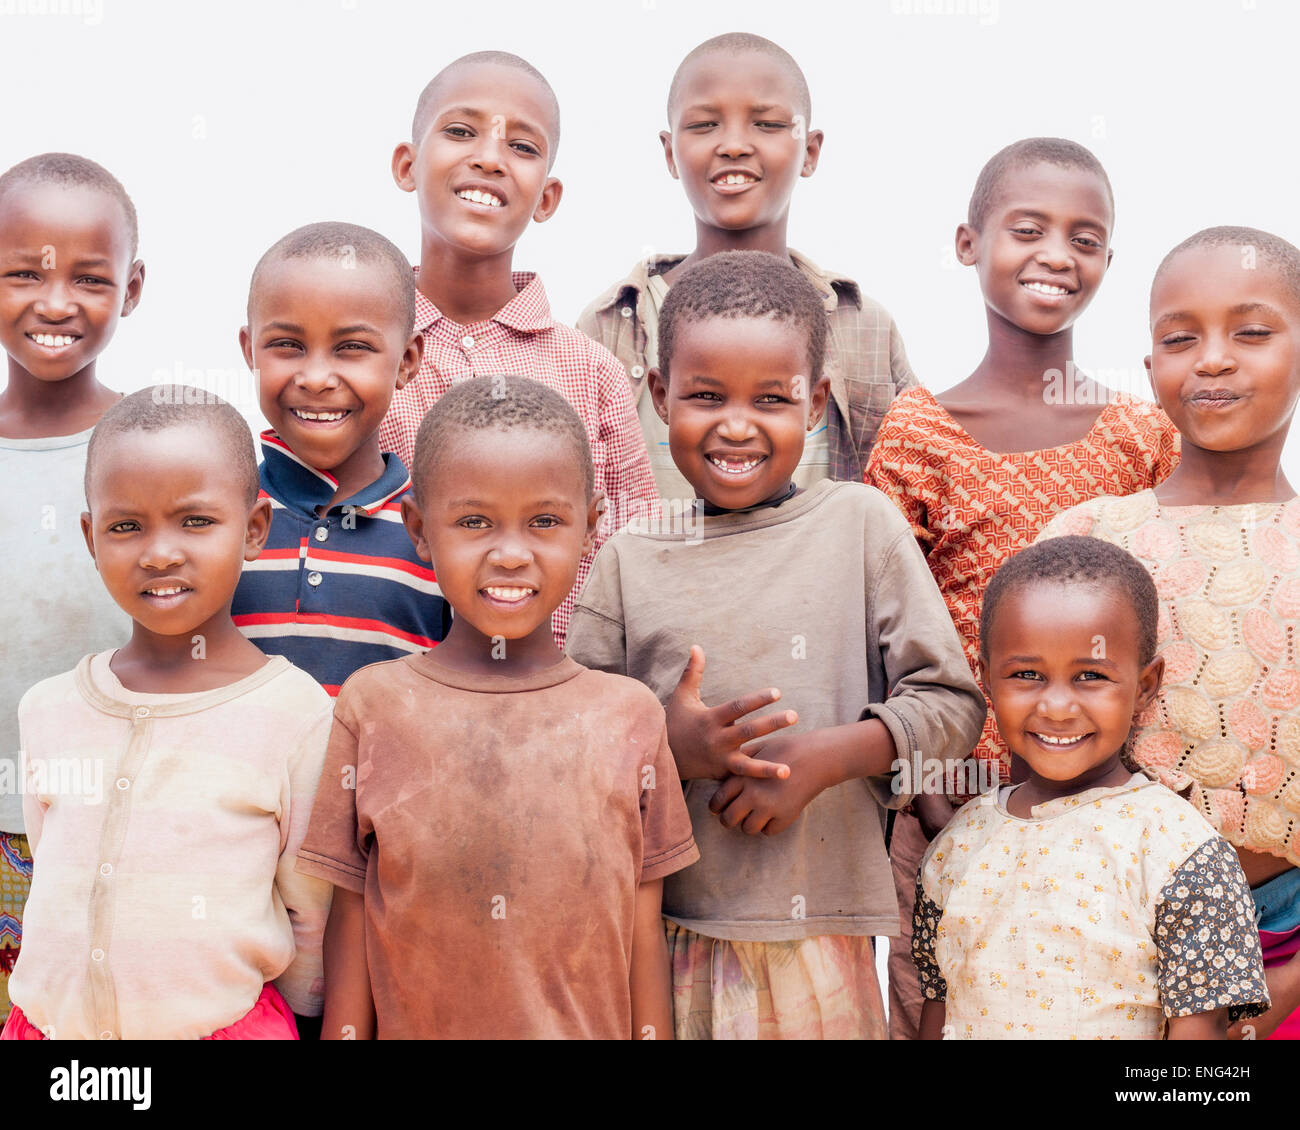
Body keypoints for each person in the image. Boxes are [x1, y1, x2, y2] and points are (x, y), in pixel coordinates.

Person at [566, 251, 984, 1039]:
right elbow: (568, 742)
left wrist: (827, 758)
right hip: (659, 940)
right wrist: (669, 746)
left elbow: (951, 705)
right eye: (704, 396)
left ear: (816, 401)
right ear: (659, 398)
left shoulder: (861, 528)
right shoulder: (630, 555)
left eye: (771, 398)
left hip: (817, 945)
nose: (736, 423)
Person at [864, 137, 1179, 1038]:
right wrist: (931, 797)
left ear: (1109, 262)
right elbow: (883, 634)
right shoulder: (920, 433)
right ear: (970, 244)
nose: (1055, 255)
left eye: (1085, 238)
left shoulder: (1140, 433)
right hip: (951, 806)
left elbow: (1165, 624)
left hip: (1113, 814)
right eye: (1027, 229)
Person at [299, 376, 698, 1039]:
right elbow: (351, 930)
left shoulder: (628, 718)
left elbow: (642, 936)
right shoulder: (375, 707)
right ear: (420, 532)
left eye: (544, 521)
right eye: (475, 521)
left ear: (591, 528)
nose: (511, 554)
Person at [3, 388, 332, 1040]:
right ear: (91, 538)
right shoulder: (48, 709)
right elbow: (52, 870)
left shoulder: (294, 717)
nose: (159, 553)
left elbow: (310, 912)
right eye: (126, 526)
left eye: (195, 521)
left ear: (255, 531)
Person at [1038, 226, 1300, 1038]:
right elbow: (1038, 744)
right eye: (1180, 338)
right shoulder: (1090, 538)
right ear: (1151, 367)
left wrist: (1279, 985)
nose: (1213, 359)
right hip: (1108, 928)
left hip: (1286, 938)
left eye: (1251, 332)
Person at [915, 536, 1270, 1039]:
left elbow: (1201, 1035)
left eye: (1089, 675)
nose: (1057, 706)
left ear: (1145, 685)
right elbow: (940, 1005)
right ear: (986, 679)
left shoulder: (1178, 850)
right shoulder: (958, 845)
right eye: (1027, 674)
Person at [377, 50, 659, 645]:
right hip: (392, 694)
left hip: (564, 706)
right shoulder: (362, 357)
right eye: (460, 131)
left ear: (548, 197)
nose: (488, 157)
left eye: (523, 147)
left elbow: (642, 558)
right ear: (407, 164)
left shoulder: (592, 371)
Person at [579, 31, 915, 498]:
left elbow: (917, 482)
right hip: (651, 570)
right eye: (703, 125)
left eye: (768, 125)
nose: (734, 145)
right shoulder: (608, 326)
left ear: (810, 152)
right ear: (670, 152)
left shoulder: (866, 326)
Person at [0, 153, 143, 1018]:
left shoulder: (156, 447)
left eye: (89, 278)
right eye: (24, 273)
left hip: (123, 827)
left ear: (132, 288)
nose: (56, 303)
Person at [231, 222, 450, 695]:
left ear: (407, 361)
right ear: (250, 350)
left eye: (352, 348)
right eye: (287, 346)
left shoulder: (438, 536)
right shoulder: (217, 520)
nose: (314, 378)